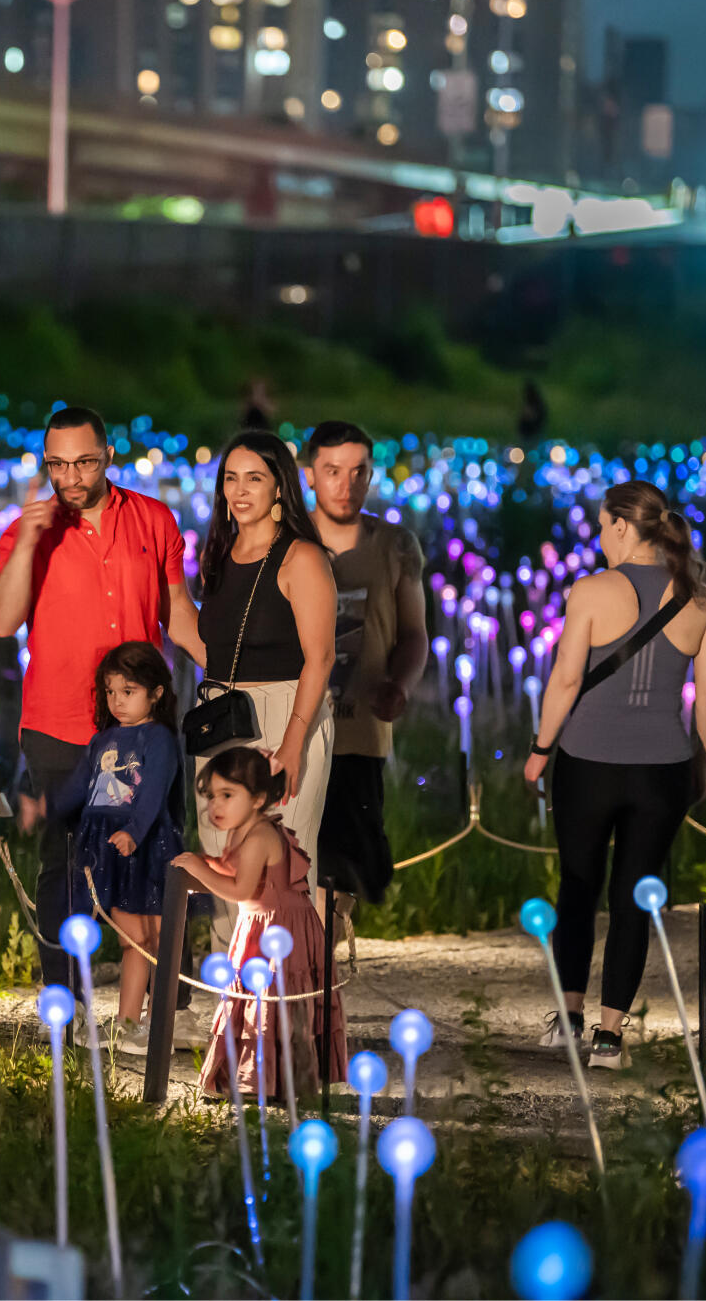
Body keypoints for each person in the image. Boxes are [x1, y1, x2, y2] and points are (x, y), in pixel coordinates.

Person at [0, 405, 204, 1017]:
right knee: (66, 861)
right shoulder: (31, 529)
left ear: (108, 455)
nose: (70, 477)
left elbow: (178, 610)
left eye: (83, 462)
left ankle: (170, 1003)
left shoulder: (153, 519)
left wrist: (230, 669)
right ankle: (66, 997)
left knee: (159, 850)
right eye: (57, 464)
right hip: (59, 722)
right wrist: (28, 541)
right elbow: (3, 620)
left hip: (142, 729)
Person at [524, 480, 706, 1071]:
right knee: (636, 898)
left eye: (601, 524)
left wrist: (540, 749)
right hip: (662, 768)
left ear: (619, 526)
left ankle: (568, 1021)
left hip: (587, 762)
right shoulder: (702, 599)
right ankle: (611, 1039)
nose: (598, 535)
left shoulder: (589, 591)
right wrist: (702, 760)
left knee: (578, 888)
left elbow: (564, 680)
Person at [191, 429, 336, 945]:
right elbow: (208, 642)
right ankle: (235, 1005)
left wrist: (295, 740)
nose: (240, 489)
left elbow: (321, 658)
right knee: (221, 854)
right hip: (220, 711)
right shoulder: (219, 553)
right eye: (231, 478)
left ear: (280, 488)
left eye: (255, 477)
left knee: (282, 861)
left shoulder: (301, 558)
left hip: (284, 709)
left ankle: (287, 1007)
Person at [21, 641, 189, 1054]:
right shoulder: (103, 740)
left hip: (139, 846)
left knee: (138, 936)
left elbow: (152, 793)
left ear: (156, 693)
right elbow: (81, 786)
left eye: (128, 692)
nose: (117, 701)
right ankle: (102, 1014)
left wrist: (133, 830)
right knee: (109, 931)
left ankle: (131, 1021)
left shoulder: (159, 739)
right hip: (98, 847)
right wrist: (46, 805)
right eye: (110, 692)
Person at [304, 421, 428, 913]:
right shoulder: (284, 542)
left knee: (348, 866)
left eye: (358, 472)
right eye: (332, 471)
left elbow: (414, 633)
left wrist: (400, 685)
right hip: (292, 730)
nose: (346, 484)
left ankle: (322, 967)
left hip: (359, 736)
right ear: (310, 474)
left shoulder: (396, 546)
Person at [178, 746, 346, 1099]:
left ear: (256, 799)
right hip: (258, 924)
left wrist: (199, 870)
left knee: (274, 1001)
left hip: (281, 929)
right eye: (211, 797)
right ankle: (253, 1077)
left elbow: (239, 889)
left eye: (227, 795)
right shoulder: (241, 830)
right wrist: (205, 863)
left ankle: (279, 1079)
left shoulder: (259, 837)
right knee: (253, 999)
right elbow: (235, 871)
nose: (216, 806)